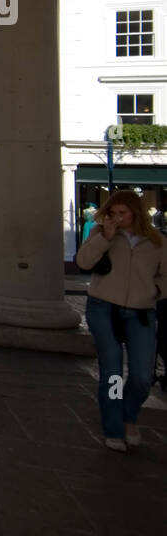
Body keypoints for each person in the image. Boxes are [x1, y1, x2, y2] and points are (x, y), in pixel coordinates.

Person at [75, 189, 165, 452]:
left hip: (141, 312)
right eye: (112, 213)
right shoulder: (100, 235)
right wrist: (105, 238)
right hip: (104, 309)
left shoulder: (157, 242)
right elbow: (83, 261)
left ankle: (129, 416)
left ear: (135, 213)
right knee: (112, 373)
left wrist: (155, 292)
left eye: (122, 213)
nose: (117, 218)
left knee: (141, 376)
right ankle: (114, 427)